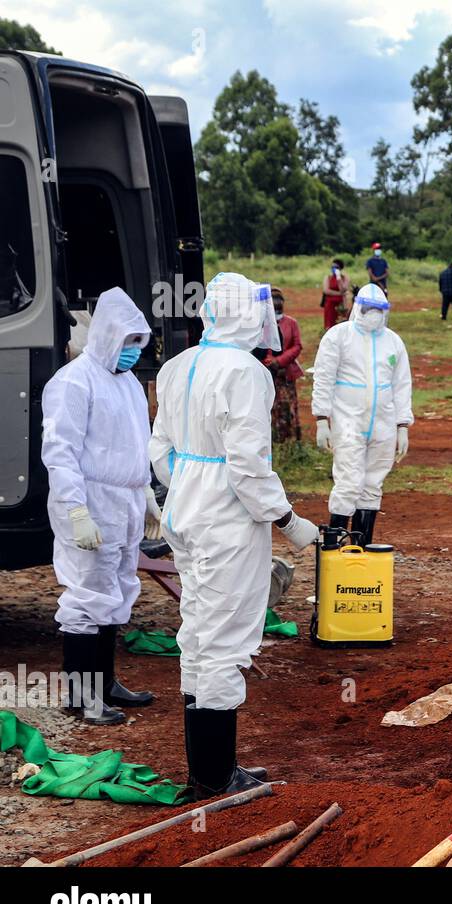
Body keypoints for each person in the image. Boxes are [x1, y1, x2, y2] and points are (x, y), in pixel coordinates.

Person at [149, 273, 318, 798]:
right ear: (249, 314)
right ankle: (219, 778)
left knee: (197, 634)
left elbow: (160, 451)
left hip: (185, 516)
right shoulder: (246, 372)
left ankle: (207, 771)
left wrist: (189, 490)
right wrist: (288, 521)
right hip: (227, 521)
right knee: (225, 641)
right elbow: (247, 467)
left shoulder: (177, 366)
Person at [41, 287, 159, 725]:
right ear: (107, 334)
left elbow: (136, 444)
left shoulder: (126, 383)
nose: (132, 351)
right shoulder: (72, 381)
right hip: (89, 500)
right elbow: (59, 453)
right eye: (127, 341)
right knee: (86, 595)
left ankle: (105, 683)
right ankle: (80, 695)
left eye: (137, 343)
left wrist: (145, 493)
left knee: (118, 589)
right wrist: (76, 511)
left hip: (124, 500)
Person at [312, 283, 414, 544]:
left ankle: (361, 546)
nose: (373, 314)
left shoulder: (393, 342)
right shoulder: (338, 337)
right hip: (348, 421)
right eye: (368, 308)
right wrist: (322, 420)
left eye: (379, 309)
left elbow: (402, 385)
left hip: (383, 424)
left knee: (372, 484)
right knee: (348, 482)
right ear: (358, 307)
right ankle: (334, 547)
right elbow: (323, 378)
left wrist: (403, 426)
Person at [264, 287, 303, 444]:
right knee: (270, 406)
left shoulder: (291, 323)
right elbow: (259, 347)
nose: (277, 304)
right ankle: (273, 439)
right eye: (274, 301)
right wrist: (269, 362)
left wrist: (279, 361)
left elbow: (297, 345)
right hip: (268, 373)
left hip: (286, 372)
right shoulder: (262, 324)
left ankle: (291, 440)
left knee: (288, 405)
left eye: (280, 301)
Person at [322, 258, 350, 331]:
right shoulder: (328, 277)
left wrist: (339, 278)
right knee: (330, 324)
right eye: (332, 267)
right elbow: (326, 290)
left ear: (340, 268)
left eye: (336, 267)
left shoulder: (345, 278)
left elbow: (343, 289)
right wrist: (340, 294)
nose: (333, 269)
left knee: (341, 322)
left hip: (341, 304)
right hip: (330, 303)